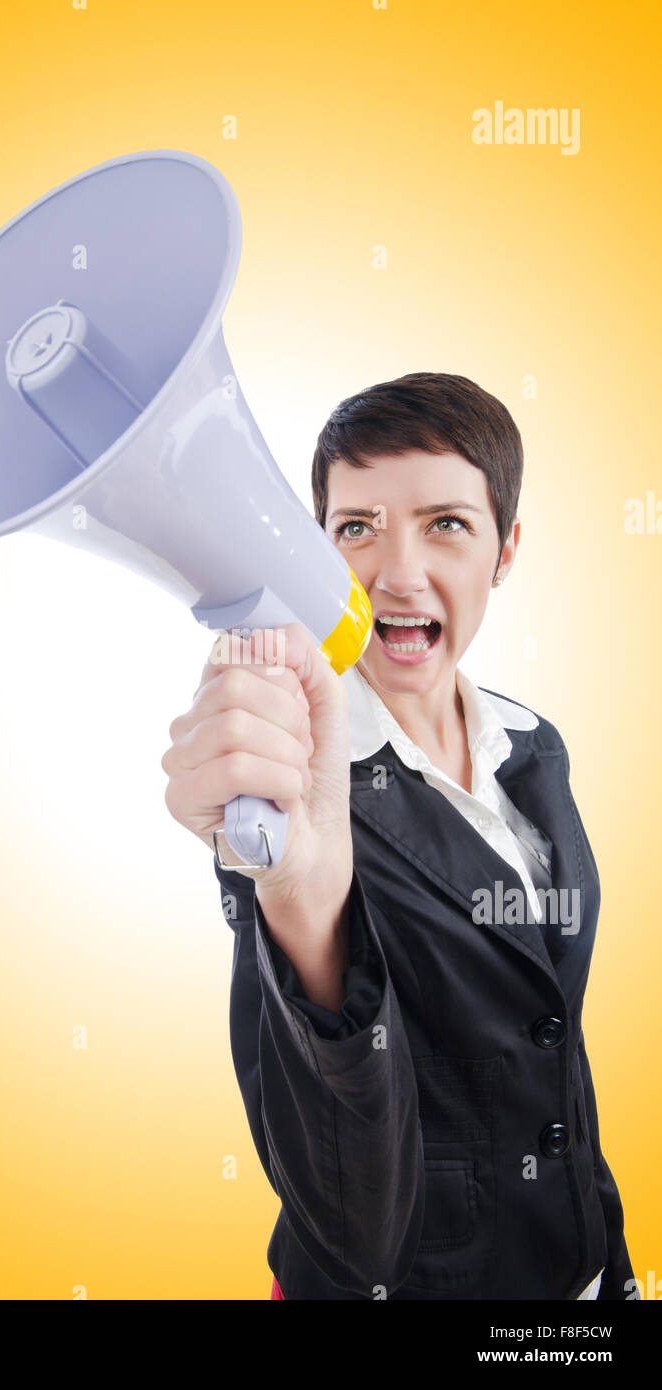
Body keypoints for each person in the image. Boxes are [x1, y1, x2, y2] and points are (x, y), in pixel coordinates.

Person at [160, 372, 635, 1300]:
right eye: (356, 527)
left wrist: (602, 1261)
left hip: (575, 1266)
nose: (397, 572)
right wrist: (291, 893)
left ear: (504, 550)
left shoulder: (532, 743)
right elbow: (340, 1190)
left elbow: (551, 1045)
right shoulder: (294, 786)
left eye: (445, 524)